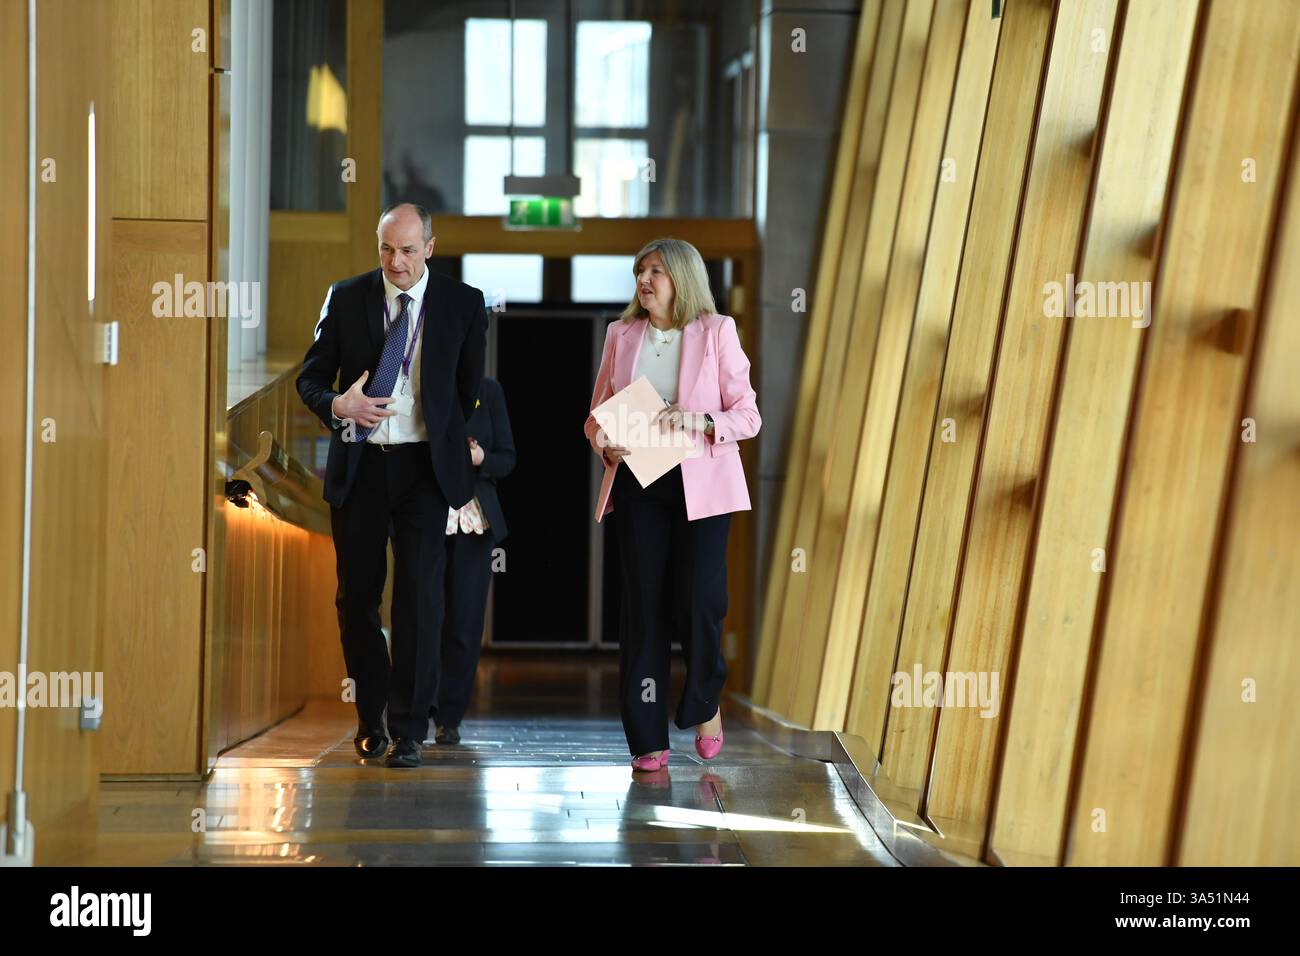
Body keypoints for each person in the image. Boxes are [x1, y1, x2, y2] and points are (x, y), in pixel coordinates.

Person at [296, 202, 487, 768]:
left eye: (407, 250)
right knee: (357, 598)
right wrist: (340, 404)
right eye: (386, 249)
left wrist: (458, 446)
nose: (395, 262)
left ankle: (409, 729)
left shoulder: (464, 304)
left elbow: (466, 391)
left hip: (425, 470)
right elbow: (309, 379)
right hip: (362, 464)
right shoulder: (347, 295)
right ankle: (369, 719)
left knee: (420, 602)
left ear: (429, 246)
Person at [583, 237, 761, 771]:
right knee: (643, 609)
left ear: (682, 278)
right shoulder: (622, 333)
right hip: (639, 480)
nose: (645, 280)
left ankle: (704, 700)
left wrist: (701, 421)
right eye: (640, 271)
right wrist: (602, 442)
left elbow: (748, 415)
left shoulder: (716, 332)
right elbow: (595, 415)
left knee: (699, 601)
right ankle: (647, 737)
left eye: (656, 271)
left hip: (700, 484)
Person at [431, 376, 516, 744]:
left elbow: (508, 458)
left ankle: (450, 717)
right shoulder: (424, 383)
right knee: (424, 617)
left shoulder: (488, 390)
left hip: (475, 522)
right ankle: (419, 709)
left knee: (464, 625)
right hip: (428, 516)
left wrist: (480, 458)